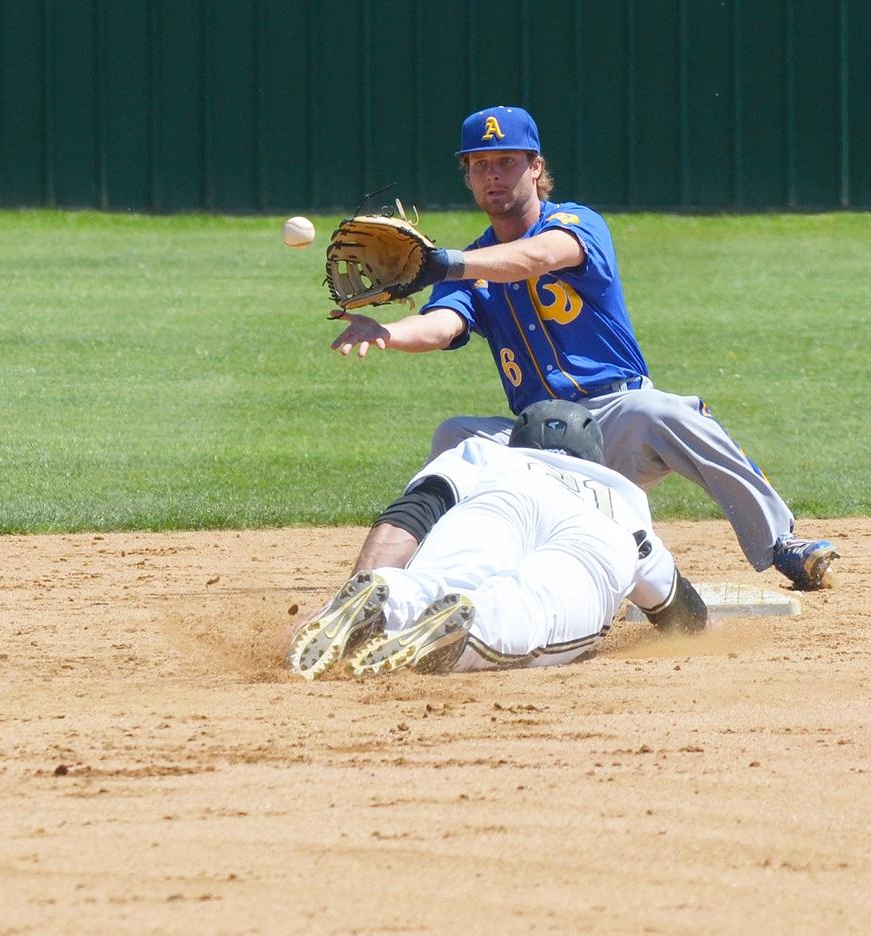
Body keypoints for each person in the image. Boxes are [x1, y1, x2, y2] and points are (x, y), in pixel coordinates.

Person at [330, 105, 838, 590]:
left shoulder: (574, 223)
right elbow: (440, 325)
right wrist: (387, 333)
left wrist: (446, 262)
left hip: (615, 420)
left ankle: (780, 541)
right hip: (535, 439)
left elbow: (538, 256)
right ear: (467, 175)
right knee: (456, 436)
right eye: (480, 164)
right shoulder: (472, 263)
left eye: (507, 161)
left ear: (536, 167)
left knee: (662, 411)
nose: (493, 175)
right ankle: (434, 566)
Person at [285, 400, 707, 679]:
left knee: (437, 578)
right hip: (593, 536)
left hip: (501, 497)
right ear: (594, 455)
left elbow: (411, 514)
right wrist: (702, 626)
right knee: (527, 608)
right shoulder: (622, 497)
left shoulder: (487, 453)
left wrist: (356, 583)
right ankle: (470, 627)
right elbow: (676, 607)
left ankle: (392, 599)